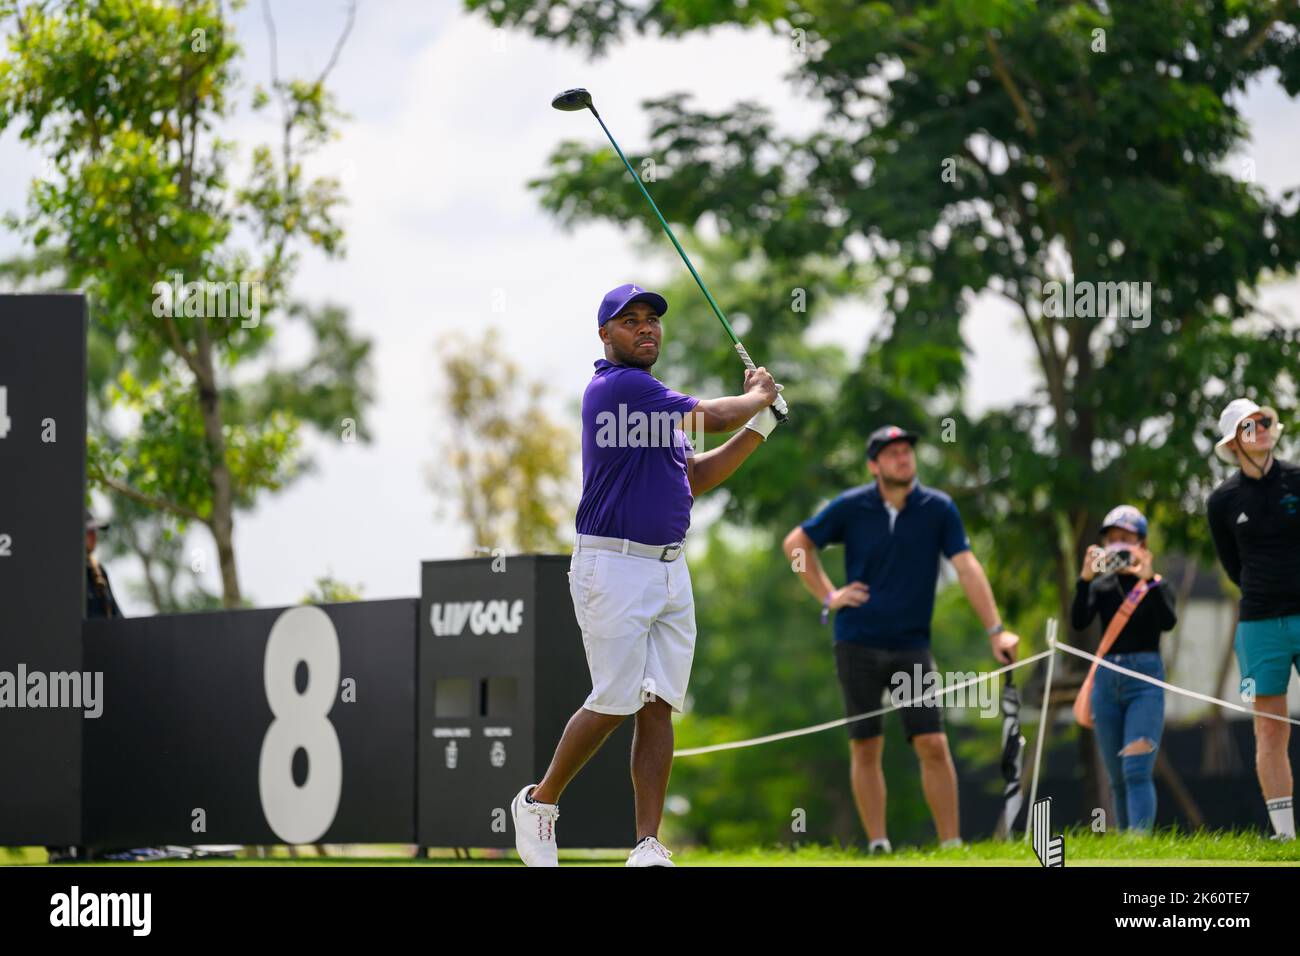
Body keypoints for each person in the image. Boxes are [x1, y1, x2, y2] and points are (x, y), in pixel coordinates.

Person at [509, 282, 781, 867]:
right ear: (605, 335)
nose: (645, 328)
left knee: (657, 702)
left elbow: (696, 476)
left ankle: (647, 845)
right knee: (614, 701)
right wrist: (757, 396)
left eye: (652, 320)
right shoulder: (620, 388)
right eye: (629, 321)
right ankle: (539, 802)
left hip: (668, 568)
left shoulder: (655, 403)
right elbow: (710, 416)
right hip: (612, 565)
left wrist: (758, 429)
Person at [782, 425, 1020, 852]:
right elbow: (796, 544)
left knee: (932, 742)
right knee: (866, 745)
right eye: (891, 453)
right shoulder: (851, 507)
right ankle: (879, 844)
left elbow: (967, 567)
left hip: (912, 646)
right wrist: (829, 595)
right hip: (856, 642)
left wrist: (996, 631)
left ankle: (951, 845)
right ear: (874, 465)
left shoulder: (939, 509)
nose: (903, 458)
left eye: (906, 450)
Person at [1207, 397, 1299, 841]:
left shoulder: (1298, 481)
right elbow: (1231, 566)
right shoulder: (1220, 501)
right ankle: (1284, 835)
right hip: (1258, 626)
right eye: (1249, 425)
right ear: (1233, 441)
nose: (1261, 428)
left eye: (1264, 421)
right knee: (1268, 729)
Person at [1072, 505, 1177, 833]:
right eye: (1112, 539)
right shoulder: (1101, 587)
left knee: (1136, 769)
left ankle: (1139, 844)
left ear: (1142, 545)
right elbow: (1078, 621)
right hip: (1106, 679)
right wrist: (1084, 579)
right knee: (1116, 776)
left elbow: (1168, 621)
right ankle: (1124, 844)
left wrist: (1148, 579)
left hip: (1144, 678)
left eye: (1126, 539)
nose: (1118, 545)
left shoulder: (1156, 587)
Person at [85, 509, 122, 619]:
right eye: (89, 532)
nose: (94, 536)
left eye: (95, 532)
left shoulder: (98, 571)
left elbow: (117, 618)